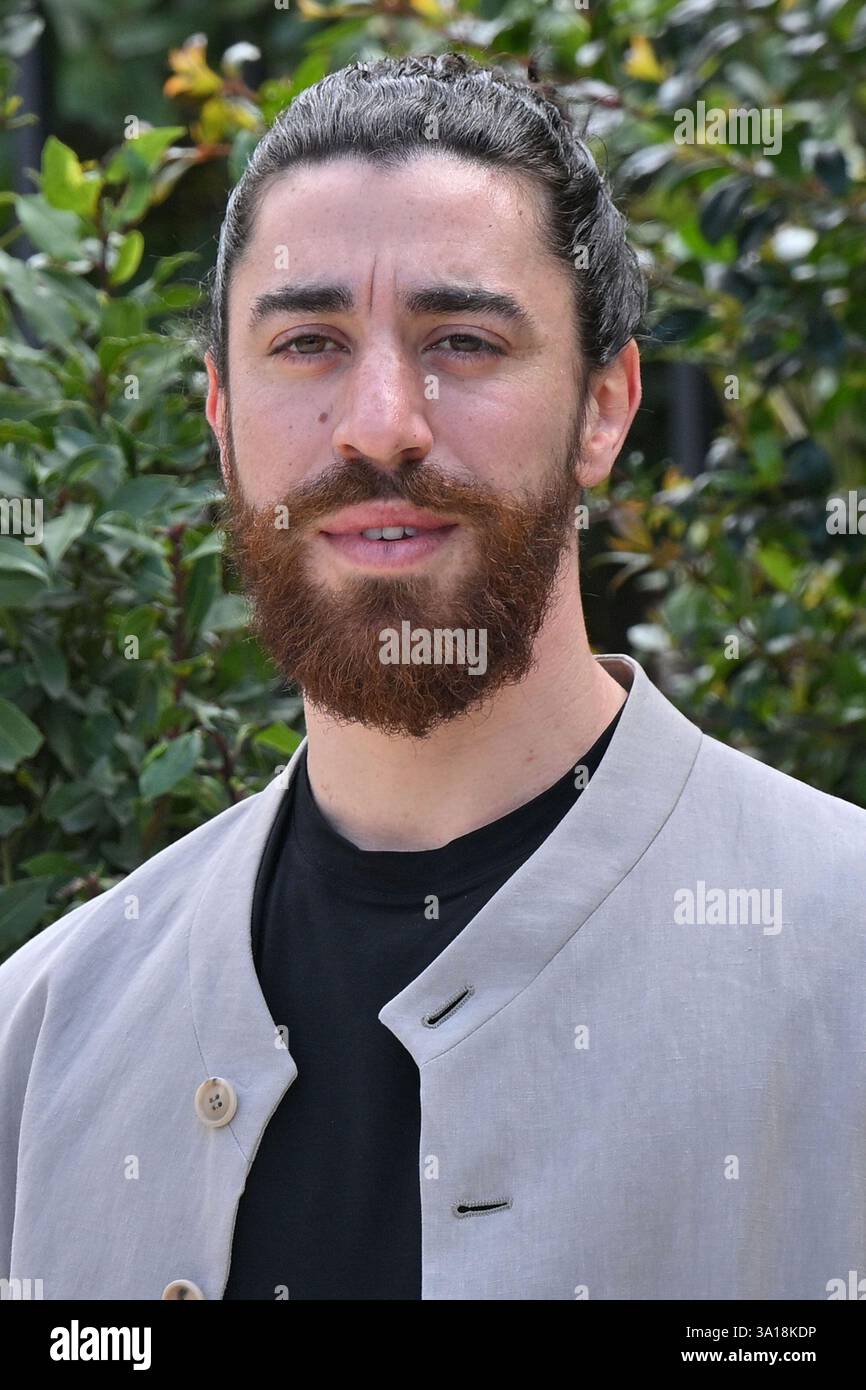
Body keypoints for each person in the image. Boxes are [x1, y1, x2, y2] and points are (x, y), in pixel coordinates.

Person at [2, 53, 865, 1303]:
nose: (379, 423)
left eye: (461, 338)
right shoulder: (40, 1042)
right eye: (306, 343)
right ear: (220, 419)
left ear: (603, 408)